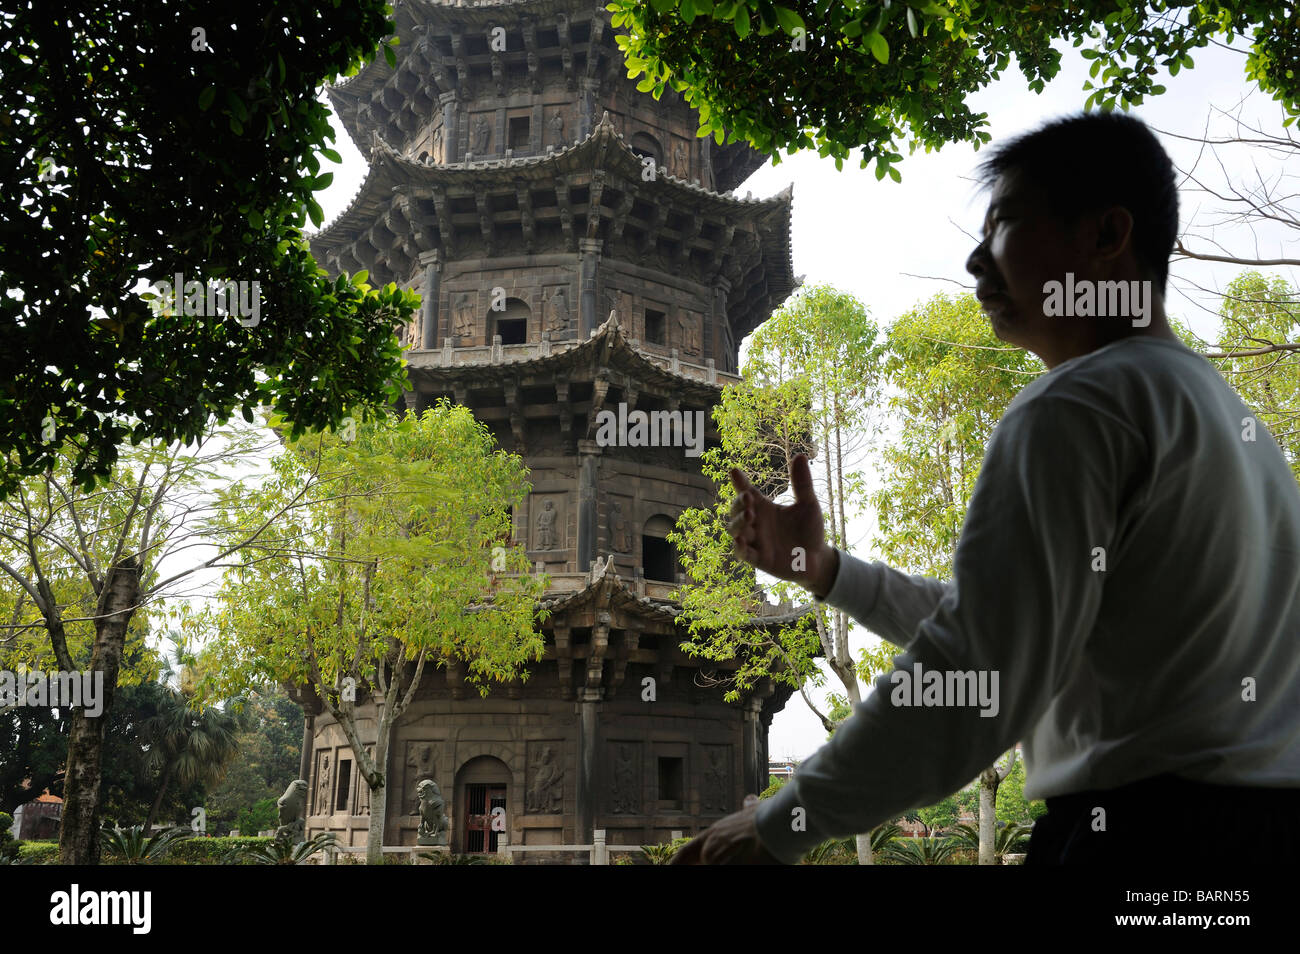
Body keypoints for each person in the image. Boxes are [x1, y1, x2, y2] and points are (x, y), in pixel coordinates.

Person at [672, 111, 1300, 865]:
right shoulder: (1226, 417)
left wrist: (786, 821)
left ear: (1106, 235)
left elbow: (978, 666)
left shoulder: (1077, 404)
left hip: (1144, 836)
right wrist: (829, 572)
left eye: (1003, 224)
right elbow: (1017, 623)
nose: (975, 261)